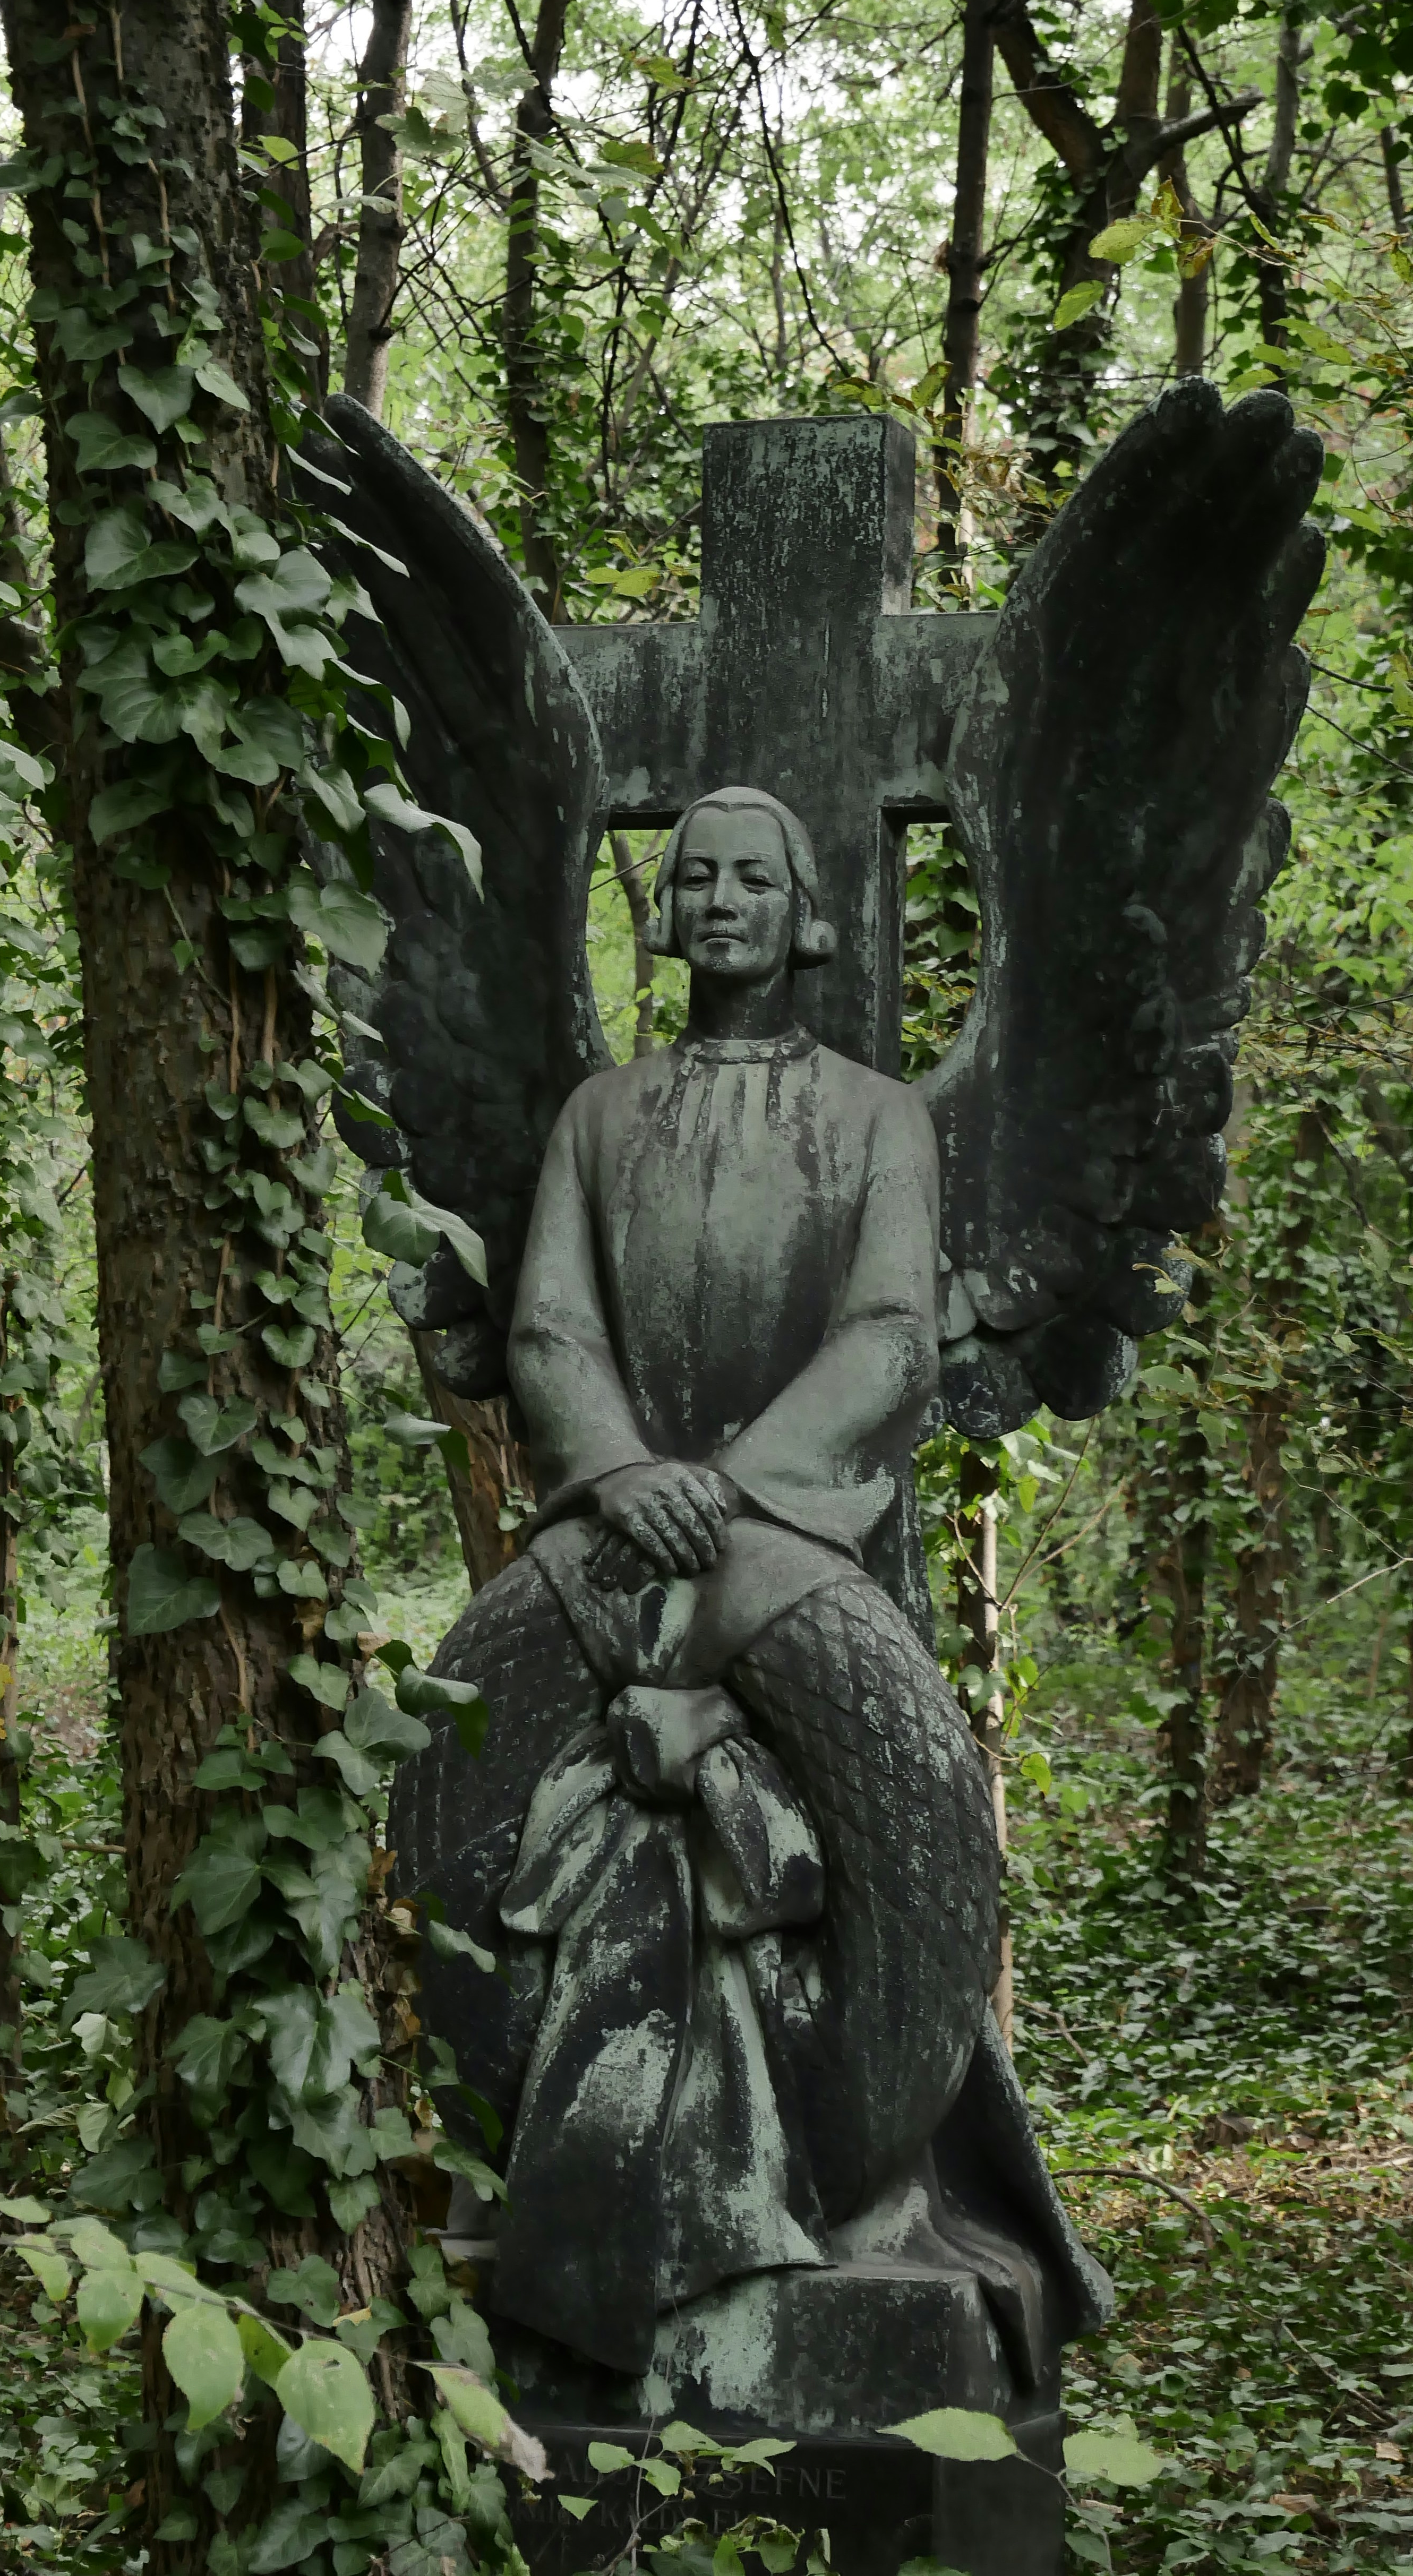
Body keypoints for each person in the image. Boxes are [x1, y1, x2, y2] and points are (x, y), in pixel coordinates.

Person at [388, 789, 1089, 2380]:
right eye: (694, 876)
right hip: (609, 1528)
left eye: (752, 879)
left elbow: (895, 1335)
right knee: (485, 1774)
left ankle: (817, 2164)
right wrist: (628, 1475)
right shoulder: (597, 1116)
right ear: (666, 909)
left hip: (797, 1541)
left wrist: (738, 1493)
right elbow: (549, 1328)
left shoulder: (875, 1119)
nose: (719, 900)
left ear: (804, 912)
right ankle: (558, 2150)